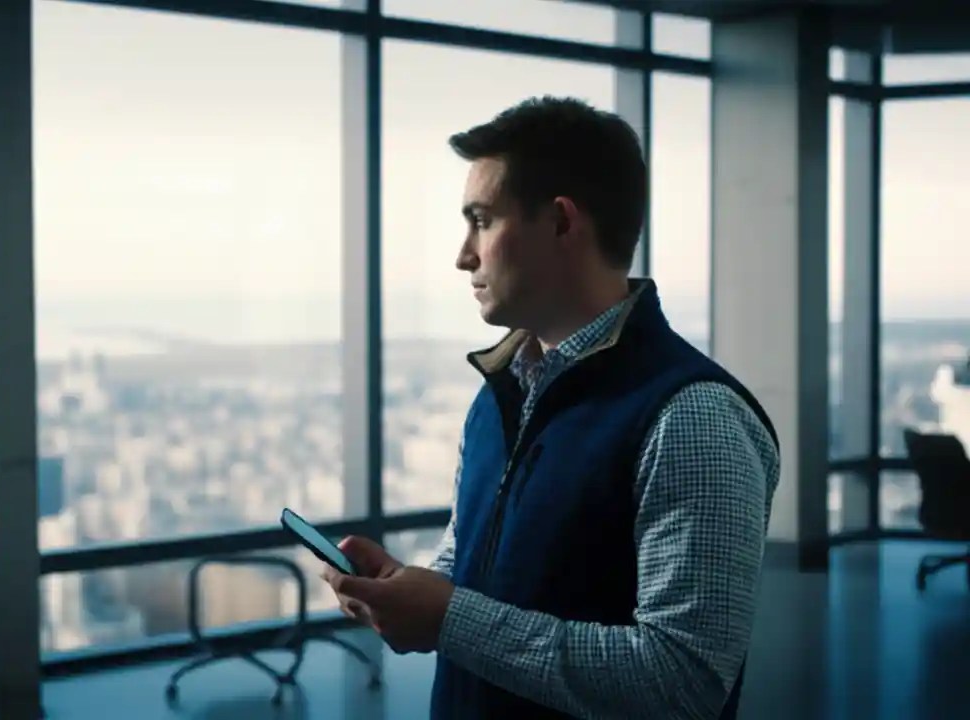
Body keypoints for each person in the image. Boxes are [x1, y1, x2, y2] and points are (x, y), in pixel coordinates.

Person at [321, 97, 781, 720]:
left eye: (481, 221)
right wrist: (406, 590)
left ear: (562, 223)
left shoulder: (691, 418)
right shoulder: (497, 394)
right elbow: (475, 572)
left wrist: (448, 618)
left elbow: (683, 681)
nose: (464, 255)